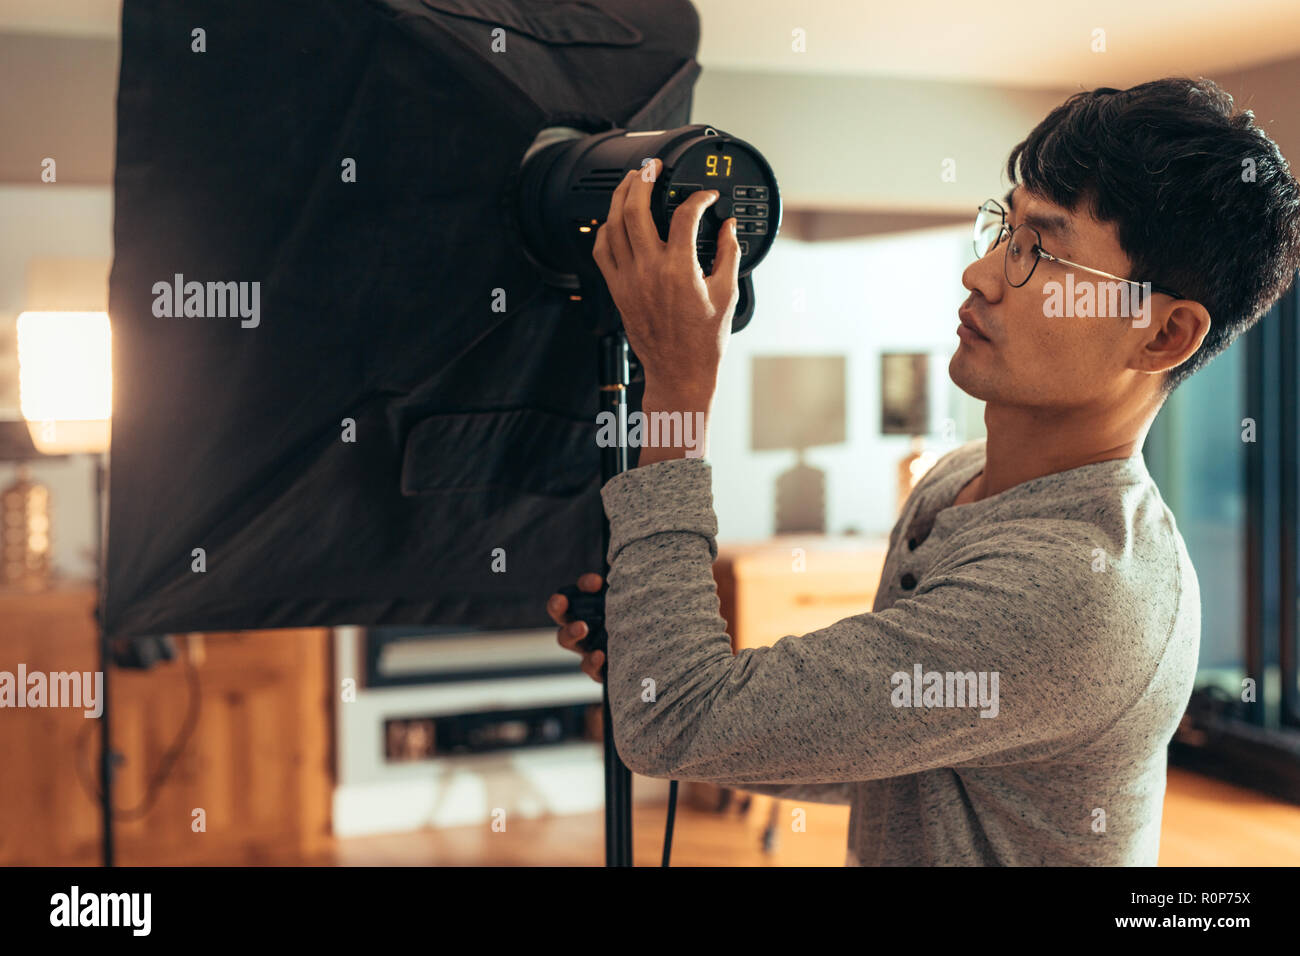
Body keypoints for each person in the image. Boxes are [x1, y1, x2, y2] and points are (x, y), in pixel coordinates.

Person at [547, 77, 1300, 865]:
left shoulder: (1079, 590)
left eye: (1041, 252)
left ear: (1163, 334)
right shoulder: (959, 482)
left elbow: (674, 722)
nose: (980, 275)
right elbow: (901, 751)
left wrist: (675, 388)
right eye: (1004, 233)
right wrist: (674, 661)